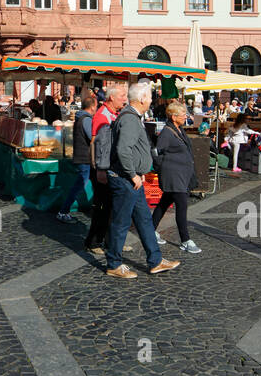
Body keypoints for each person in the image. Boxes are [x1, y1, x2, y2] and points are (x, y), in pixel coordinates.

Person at [104, 82, 180, 279]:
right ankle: (114, 264)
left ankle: (155, 261)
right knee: (121, 223)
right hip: (125, 180)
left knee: (145, 220)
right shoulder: (129, 119)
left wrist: (139, 171)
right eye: (150, 97)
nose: (152, 100)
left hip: (132, 180)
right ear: (142, 99)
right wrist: (133, 174)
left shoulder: (133, 117)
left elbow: (132, 149)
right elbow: (123, 150)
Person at [152, 101, 200, 253]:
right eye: (183, 114)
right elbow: (156, 153)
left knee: (164, 203)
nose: (186, 116)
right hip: (174, 176)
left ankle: (150, 230)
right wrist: (164, 168)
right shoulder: (167, 132)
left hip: (180, 175)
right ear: (174, 117)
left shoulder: (179, 129)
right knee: (182, 206)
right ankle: (185, 240)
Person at [84, 84, 127, 254]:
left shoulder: (113, 113)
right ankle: (93, 242)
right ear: (111, 98)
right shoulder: (102, 115)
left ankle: (111, 242)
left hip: (110, 166)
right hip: (102, 168)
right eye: (122, 96)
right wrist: (99, 169)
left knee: (111, 207)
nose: (125, 98)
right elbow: (97, 144)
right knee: (102, 207)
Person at [54, 92, 97, 223]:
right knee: (79, 185)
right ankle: (63, 211)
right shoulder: (86, 119)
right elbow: (93, 138)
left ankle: (97, 207)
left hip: (82, 156)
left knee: (93, 183)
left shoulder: (80, 117)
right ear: (93, 107)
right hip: (85, 157)